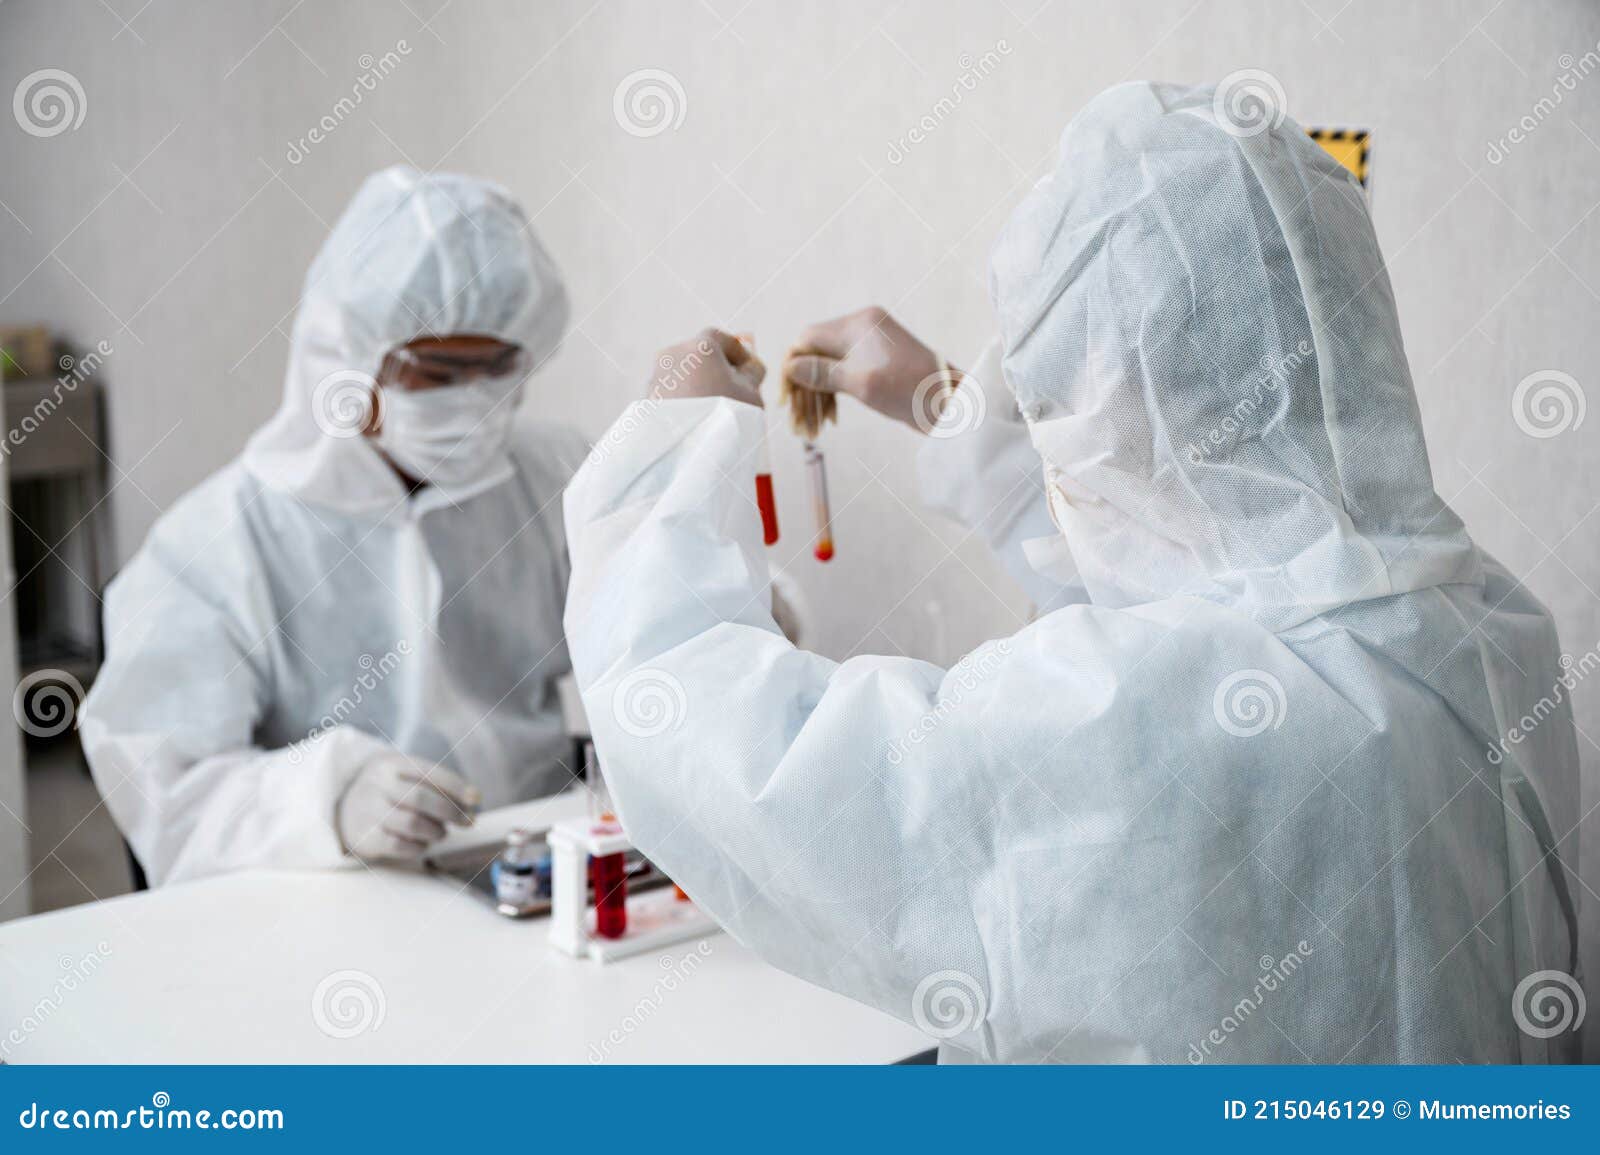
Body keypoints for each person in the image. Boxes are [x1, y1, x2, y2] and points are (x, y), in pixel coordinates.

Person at [561, 83, 1581, 1063]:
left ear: (1125, 398)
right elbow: (1181, 587)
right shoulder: (1481, 622)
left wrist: (670, 451)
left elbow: (706, 729)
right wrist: (947, 407)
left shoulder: (1145, 718)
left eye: (1051, 401)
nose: (1053, 438)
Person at [80, 167, 587, 885]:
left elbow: (643, 608)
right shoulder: (217, 543)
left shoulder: (553, 474)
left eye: (497, 370)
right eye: (436, 373)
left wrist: (726, 601)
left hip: (536, 873)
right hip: (323, 898)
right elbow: (166, 788)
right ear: (342, 359)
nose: (470, 402)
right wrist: (323, 800)